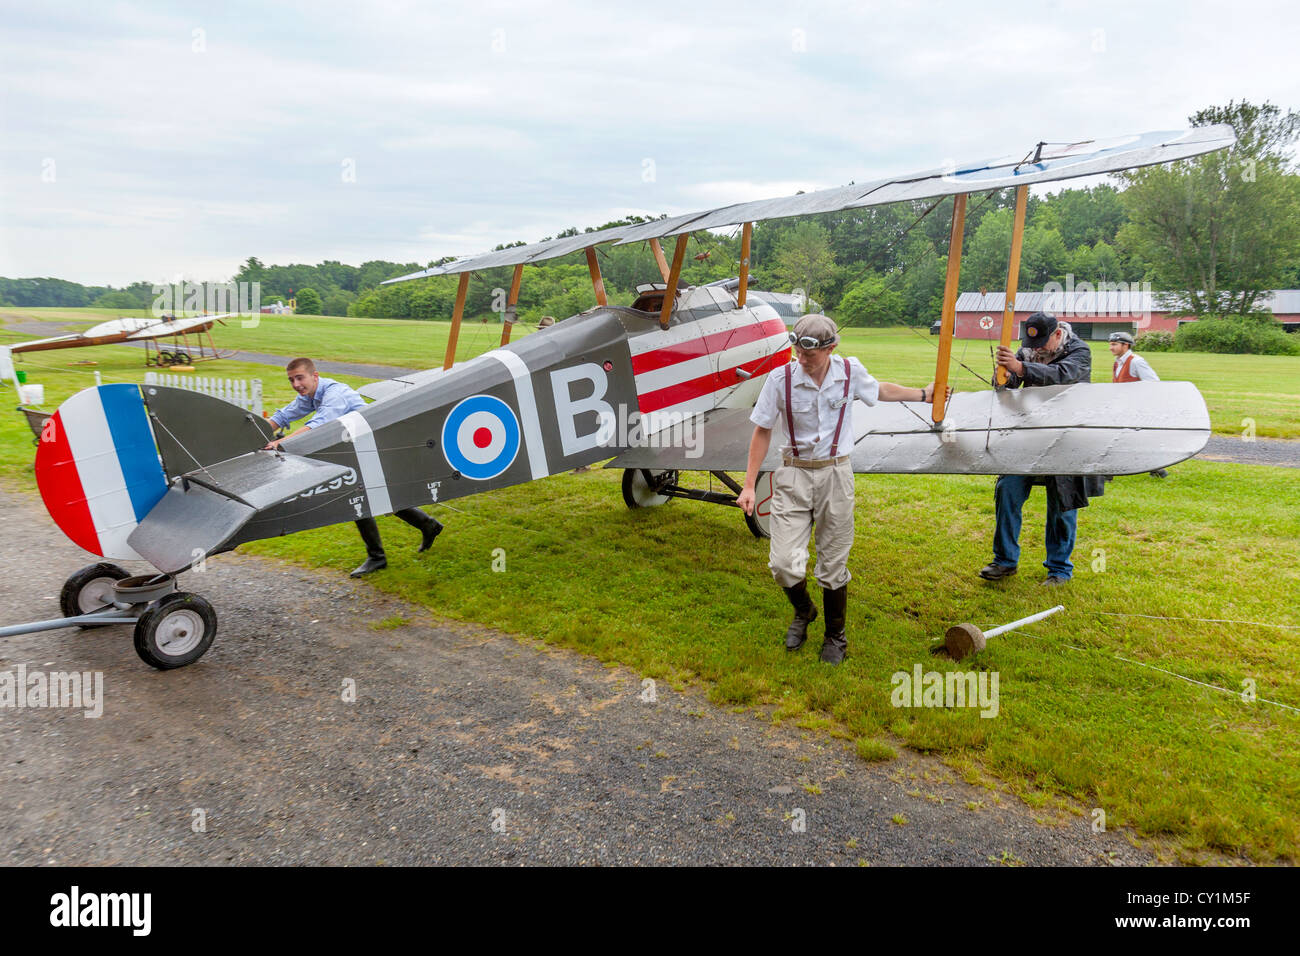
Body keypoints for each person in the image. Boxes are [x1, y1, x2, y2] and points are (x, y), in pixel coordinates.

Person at [737, 314, 949, 665]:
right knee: (783, 564)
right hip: (793, 475)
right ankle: (804, 611)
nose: (801, 360)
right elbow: (761, 430)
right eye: (797, 352)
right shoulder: (781, 379)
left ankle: (836, 635)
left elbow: (879, 390)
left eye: (810, 355)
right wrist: (748, 485)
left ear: (831, 348)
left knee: (833, 561)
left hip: (836, 475)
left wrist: (925, 394)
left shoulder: (849, 372)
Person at [265, 357, 443, 578]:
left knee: (357, 496)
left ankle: (379, 556)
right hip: (358, 445)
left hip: (374, 443)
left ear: (315, 376)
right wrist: (258, 432)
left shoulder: (333, 394)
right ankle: (426, 526)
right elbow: (283, 416)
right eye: (291, 379)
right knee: (367, 495)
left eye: (299, 378)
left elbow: (318, 425)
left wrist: (279, 444)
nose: (295, 384)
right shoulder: (311, 394)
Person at [981, 313, 1108, 586]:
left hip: (1068, 435)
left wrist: (1020, 368)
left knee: (1062, 504)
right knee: (1007, 490)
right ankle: (1004, 561)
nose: (1035, 349)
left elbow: (1061, 375)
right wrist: (1002, 377)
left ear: (1058, 334)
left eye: (1041, 343)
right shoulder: (1027, 349)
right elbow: (1011, 385)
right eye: (1031, 343)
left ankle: (1059, 569)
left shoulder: (1079, 351)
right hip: (1030, 433)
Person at [1109, 331, 1168, 478]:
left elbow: (1153, 383)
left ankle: (1109, 472)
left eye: (1114, 344)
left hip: (1136, 408)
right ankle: (1157, 468)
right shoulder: (1118, 362)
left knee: (1125, 437)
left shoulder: (1136, 361)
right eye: (1110, 344)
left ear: (1126, 345)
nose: (1111, 348)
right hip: (1122, 407)